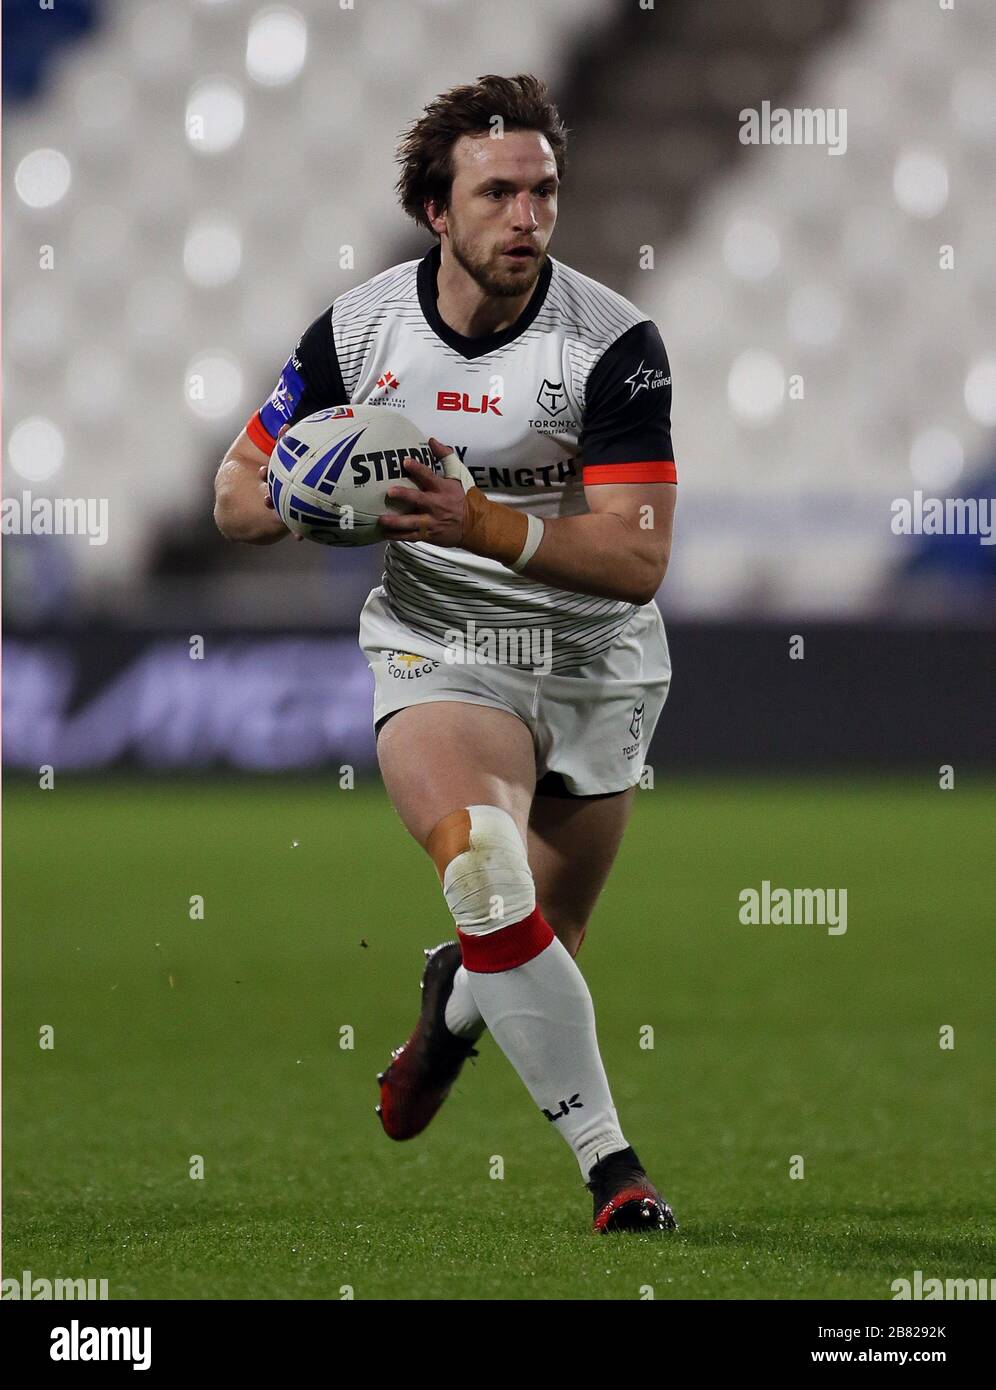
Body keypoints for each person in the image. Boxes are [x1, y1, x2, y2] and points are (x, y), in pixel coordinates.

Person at [214, 74, 678, 1232]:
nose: (527, 218)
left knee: (534, 947)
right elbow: (233, 493)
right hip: (442, 647)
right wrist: (308, 496)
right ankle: (614, 1170)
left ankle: (449, 1008)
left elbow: (636, 560)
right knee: (485, 875)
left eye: (544, 193)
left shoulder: (613, 346)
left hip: (595, 665)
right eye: (499, 194)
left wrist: (480, 518)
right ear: (438, 210)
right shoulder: (359, 332)